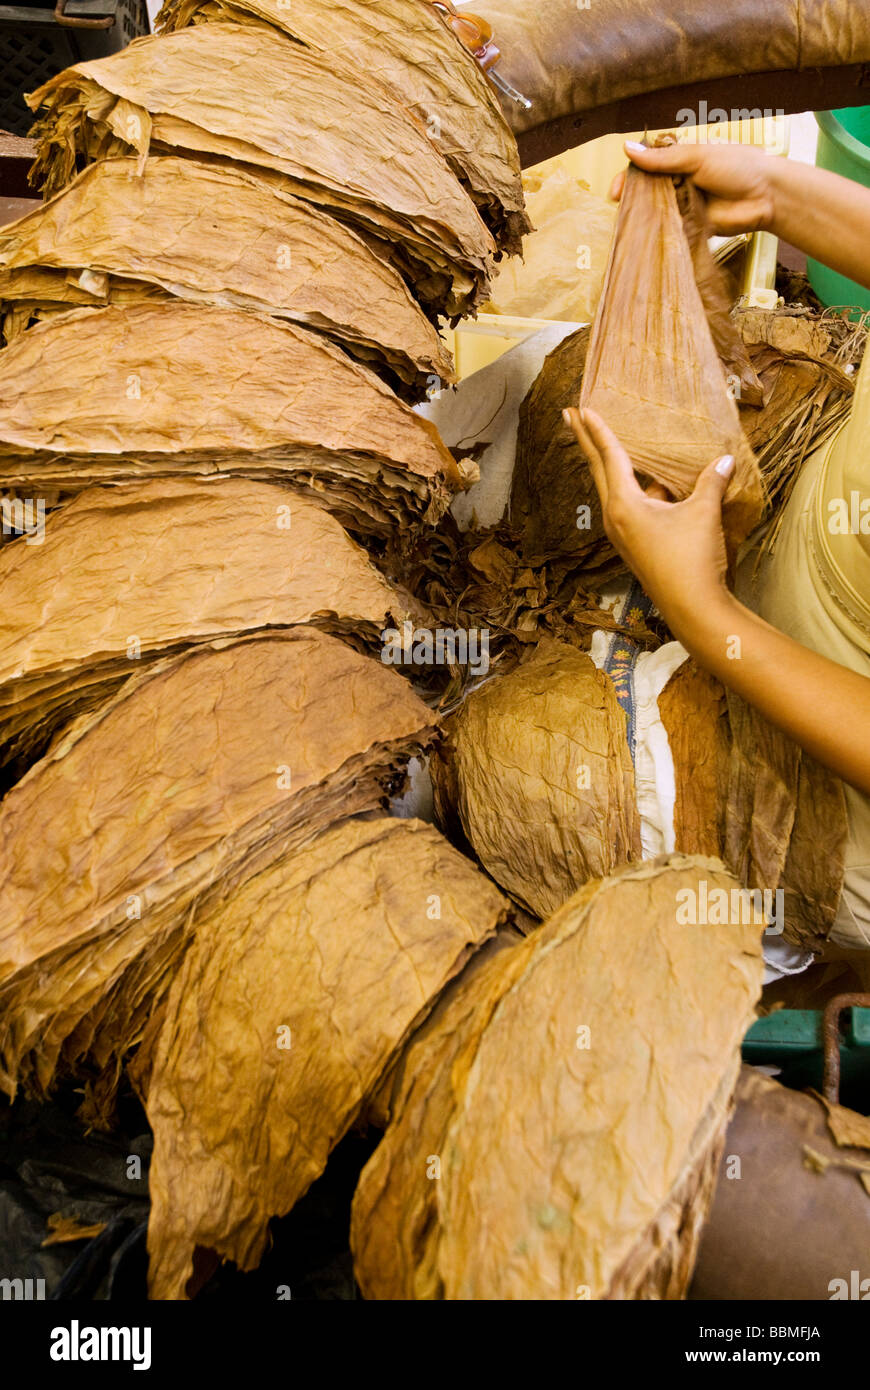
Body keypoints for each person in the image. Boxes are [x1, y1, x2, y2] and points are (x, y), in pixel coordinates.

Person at [564, 138, 870, 954]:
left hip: (837, 794)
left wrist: (702, 613)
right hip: (818, 556)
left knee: (535, 789)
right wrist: (772, 194)